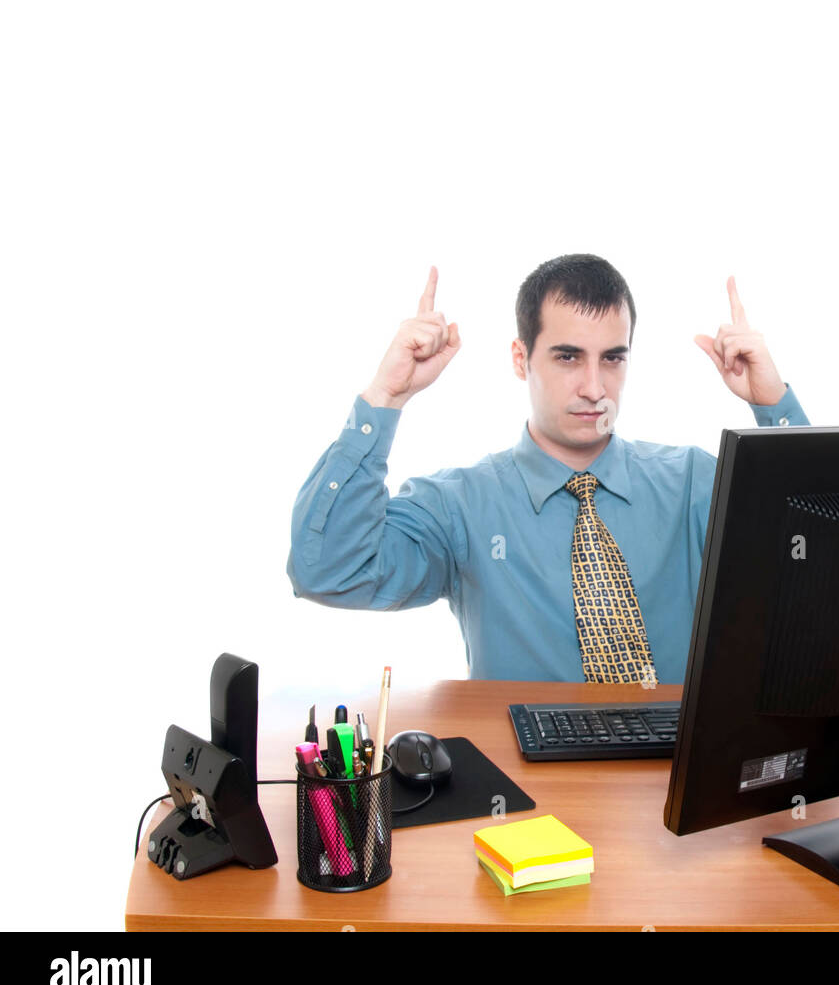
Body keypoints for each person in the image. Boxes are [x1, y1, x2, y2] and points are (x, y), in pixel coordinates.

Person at [287, 254, 809, 682]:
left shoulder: (695, 483)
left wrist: (774, 405)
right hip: (529, 794)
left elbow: (815, 565)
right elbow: (329, 571)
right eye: (567, 357)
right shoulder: (459, 506)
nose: (594, 387)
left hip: (673, 783)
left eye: (612, 358)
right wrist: (386, 396)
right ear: (521, 359)